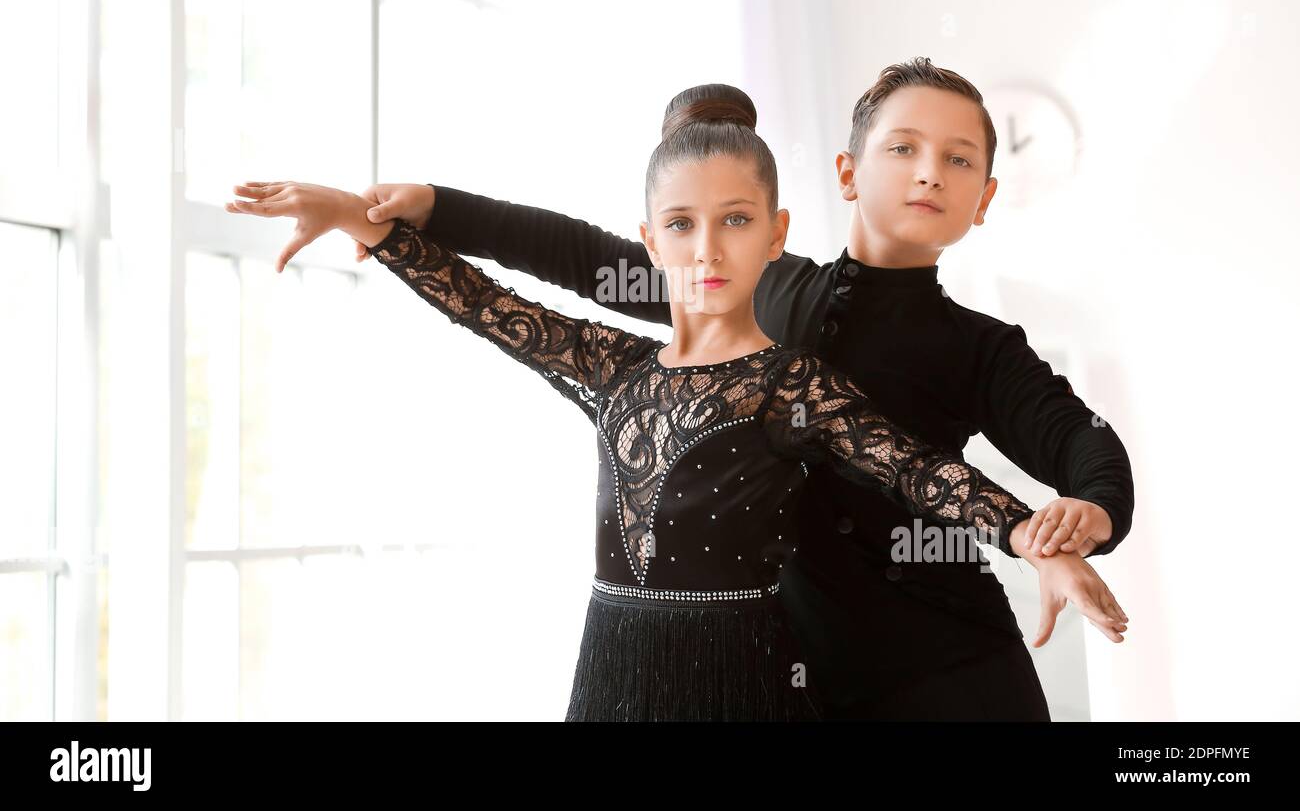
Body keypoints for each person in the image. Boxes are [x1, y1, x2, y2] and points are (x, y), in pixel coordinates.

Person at [225, 83, 1128, 721]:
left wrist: (1051, 534)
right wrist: (400, 213)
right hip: (712, 662)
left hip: (917, 668)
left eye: (956, 158)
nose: (927, 173)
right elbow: (540, 283)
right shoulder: (741, 301)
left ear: (984, 198)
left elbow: (951, 471)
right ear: (850, 170)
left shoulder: (954, 352)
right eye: (904, 147)